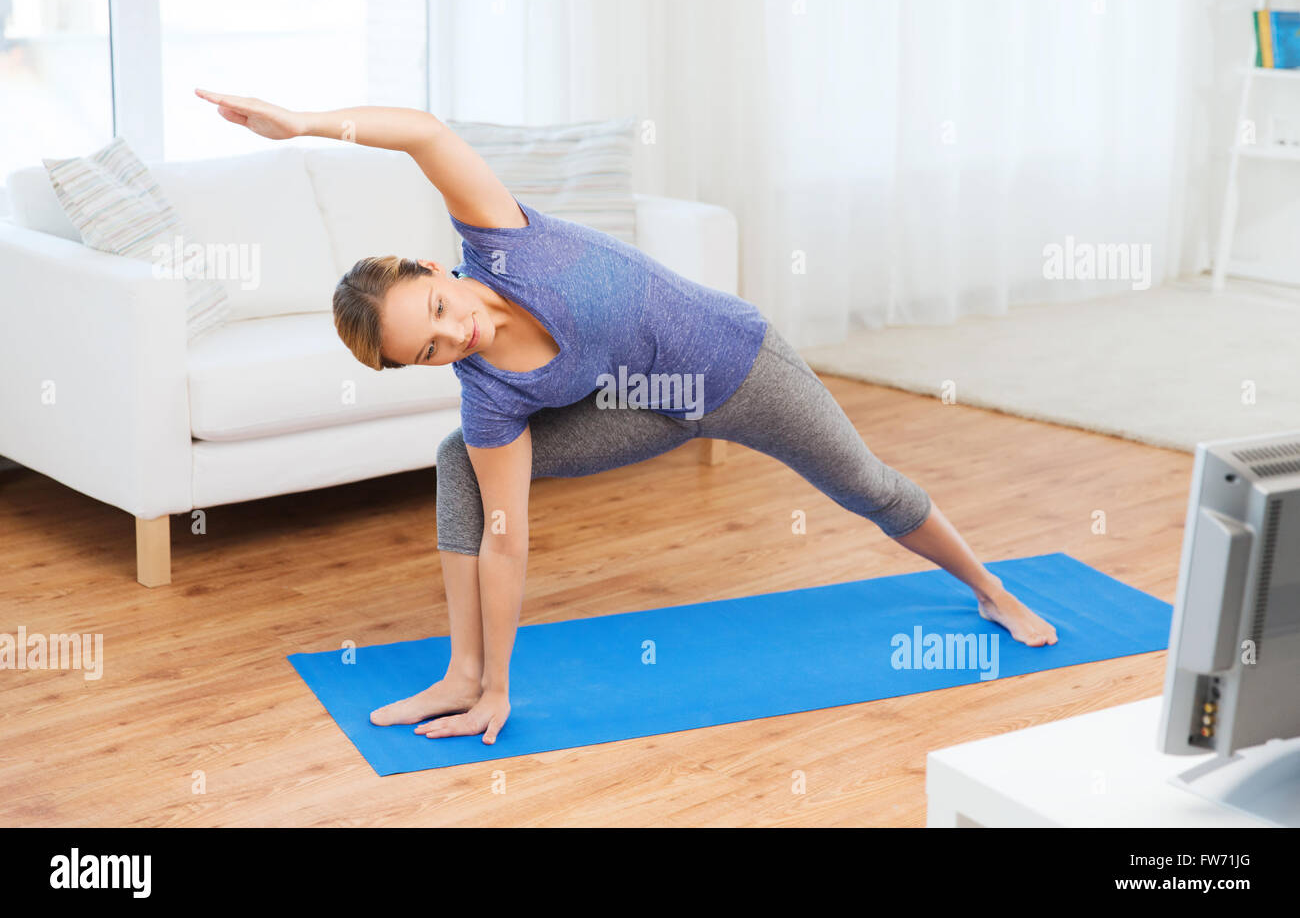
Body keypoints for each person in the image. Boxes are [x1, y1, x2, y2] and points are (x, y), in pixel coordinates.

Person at [197, 90, 1058, 746]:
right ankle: (465, 676)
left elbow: (424, 133)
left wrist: (302, 122)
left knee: (866, 485)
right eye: (429, 351)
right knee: (461, 458)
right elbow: (508, 539)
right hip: (646, 411)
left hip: (741, 368)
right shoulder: (489, 394)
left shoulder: (504, 239)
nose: (456, 334)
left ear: (435, 267)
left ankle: (991, 591)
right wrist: (503, 687)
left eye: (437, 308)